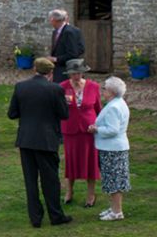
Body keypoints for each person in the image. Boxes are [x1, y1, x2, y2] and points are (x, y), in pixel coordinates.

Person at [7, 57, 72, 228]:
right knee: (50, 179)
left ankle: (35, 218)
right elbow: (64, 115)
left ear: (34, 69)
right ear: (50, 73)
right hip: (46, 139)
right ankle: (55, 215)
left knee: (31, 180)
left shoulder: (21, 87)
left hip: (26, 139)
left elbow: (12, 113)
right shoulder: (55, 89)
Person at [88, 76, 131, 222]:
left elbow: (113, 130)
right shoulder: (118, 103)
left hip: (113, 149)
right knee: (112, 179)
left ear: (111, 92)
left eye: (105, 88)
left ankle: (117, 211)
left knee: (114, 180)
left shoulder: (113, 107)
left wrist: (97, 129)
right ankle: (113, 208)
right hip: (115, 147)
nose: (102, 91)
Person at [60, 59, 101, 208]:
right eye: (73, 74)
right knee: (71, 161)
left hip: (88, 129)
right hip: (70, 130)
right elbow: (59, 109)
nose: (76, 76)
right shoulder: (62, 87)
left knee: (90, 161)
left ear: (83, 72)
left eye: (78, 73)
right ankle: (69, 191)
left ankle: (91, 193)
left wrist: (98, 125)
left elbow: (98, 108)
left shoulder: (93, 86)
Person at [48, 9, 84, 83]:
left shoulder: (69, 32)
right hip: (58, 68)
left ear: (54, 20)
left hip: (65, 69)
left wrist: (56, 59)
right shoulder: (56, 32)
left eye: (50, 20)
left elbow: (74, 53)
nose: (50, 22)